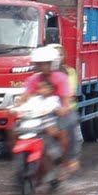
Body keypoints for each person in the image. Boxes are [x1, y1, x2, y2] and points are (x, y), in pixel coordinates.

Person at [20, 44, 78, 174]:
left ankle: (69, 159)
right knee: (14, 129)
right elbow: (25, 96)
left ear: (52, 63)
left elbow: (65, 98)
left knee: (69, 126)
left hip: (58, 112)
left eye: (46, 63)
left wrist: (64, 108)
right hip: (40, 113)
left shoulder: (61, 77)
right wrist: (16, 107)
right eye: (40, 64)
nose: (43, 67)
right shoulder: (34, 79)